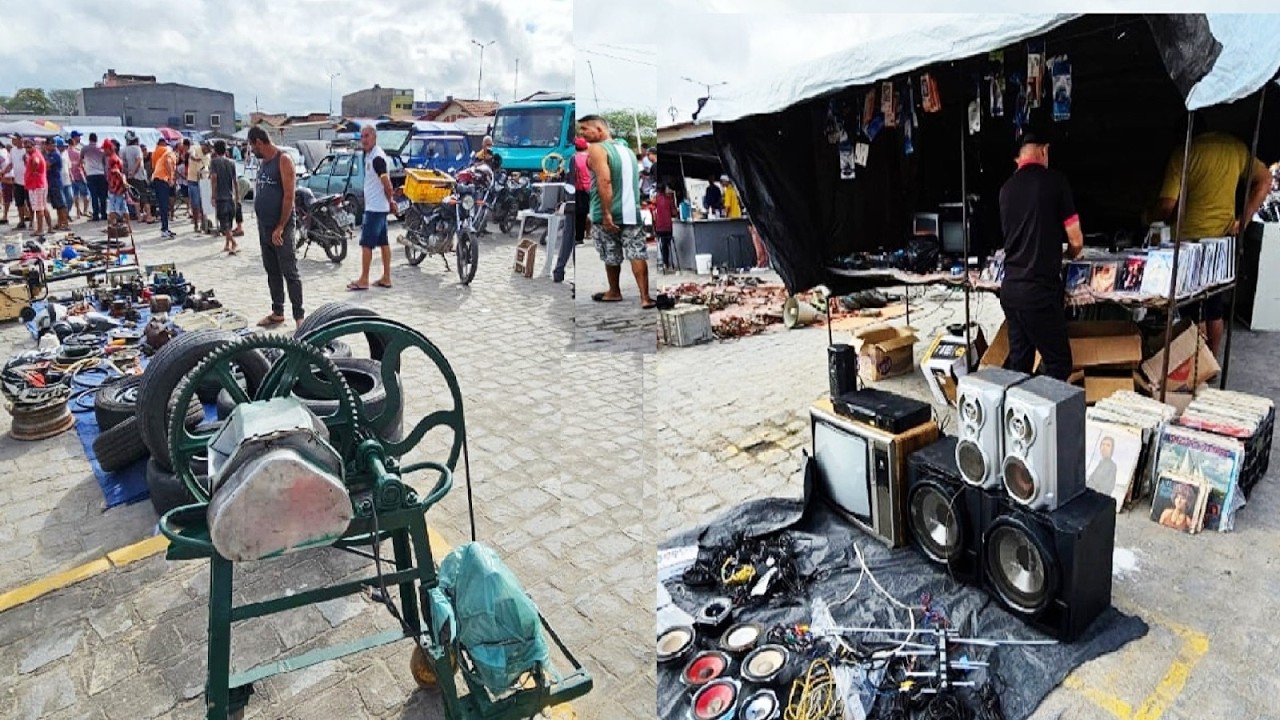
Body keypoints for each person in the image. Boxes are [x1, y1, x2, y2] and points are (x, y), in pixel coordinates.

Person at [1153, 119, 1271, 356]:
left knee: (1188, 306)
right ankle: (1211, 362)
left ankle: (1190, 360)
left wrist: (1148, 215)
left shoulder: (1184, 152)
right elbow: (1265, 180)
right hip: (1221, 240)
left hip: (1186, 242)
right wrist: (1243, 221)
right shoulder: (1235, 148)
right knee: (1213, 307)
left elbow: (1167, 207)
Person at [997, 128, 1083, 381]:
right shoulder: (1056, 182)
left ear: (1018, 159)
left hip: (1011, 291)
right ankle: (1038, 413)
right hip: (1039, 293)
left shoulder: (1005, 190)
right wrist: (1069, 255)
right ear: (1044, 150)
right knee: (1059, 364)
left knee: (1019, 365)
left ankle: (1018, 416)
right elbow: (1076, 239)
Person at [578, 115, 654, 309]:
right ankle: (645, 297)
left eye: (585, 129)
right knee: (637, 252)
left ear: (599, 130)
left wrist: (606, 214)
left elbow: (605, 181)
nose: (582, 133)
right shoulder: (628, 151)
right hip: (631, 211)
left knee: (610, 252)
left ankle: (614, 291)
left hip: (607, 211)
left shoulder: (597, 149)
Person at [248, 126, 303, 328]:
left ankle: (299, 318)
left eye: (252, 146)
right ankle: (277, 312)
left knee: (290, 271)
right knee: (272, 270)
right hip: (265, 226)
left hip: (282, 226)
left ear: (259, 142)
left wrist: (280, 226)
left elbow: (289, 196)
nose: (252, 150)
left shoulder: (283, 160)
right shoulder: (263, 162)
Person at [348, 125, 396, 290]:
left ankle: (364, 279)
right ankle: (386, 277)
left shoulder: (377, 158)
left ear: (374, 137)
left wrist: (391, 201)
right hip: (378, 207)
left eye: (367, 136)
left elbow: (387, 183)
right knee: (383, 242)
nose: (364, 139)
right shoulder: (369, 155)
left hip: (375, 208)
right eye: (362, 136)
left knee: (366, 244)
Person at [209, 141, 239, 255]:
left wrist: (213, 195)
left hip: (221, 197)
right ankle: (227, 244)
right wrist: (238, 196)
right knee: (229, 223)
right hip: (230, 196)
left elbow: (214, 179)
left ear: (215, 150)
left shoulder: (214, 162)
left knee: (224, 225)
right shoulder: (231, 162)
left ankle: (233, 242)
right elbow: (235, 181)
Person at [120, 132, 154, 223]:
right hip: (139, 176)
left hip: (129, 177)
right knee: (144, 196)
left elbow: (123, 164)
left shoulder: (123, 150)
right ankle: (149, 216)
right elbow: (139, 161)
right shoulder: (137, 149)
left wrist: (128, 173)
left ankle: (139, 216)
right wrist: (134, 172)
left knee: (135, 197)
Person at [150, 138, 178, 238]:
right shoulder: (170, 153)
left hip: (157, 179)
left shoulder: (157, 152)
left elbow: (154, 166)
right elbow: (168, 162)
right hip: (162, 180)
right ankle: (164, 229)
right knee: (164, 206)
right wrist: (171, 178)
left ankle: (165, 228)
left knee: (163, 205)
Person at [104, 140, 131, 235]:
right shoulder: (117, 158)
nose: (104, 151)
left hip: (115, 188)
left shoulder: (112, 159)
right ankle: (129, 228)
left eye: (104, 149)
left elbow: (116, 171)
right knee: (124, 208)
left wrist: (123, 182)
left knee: (112, 209)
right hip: (120, 188)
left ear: (108, 149)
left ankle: (112, 229)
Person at [24, 138, 49, 237]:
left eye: (29, 147)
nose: (27, 149)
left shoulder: (35, 155)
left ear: (34, 146)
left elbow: (36, 161)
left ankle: (40, 229)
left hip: (37, 185)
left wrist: (33, 171)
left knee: (39, 209)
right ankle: (47, 227)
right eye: (26, 147)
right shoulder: (36, 153)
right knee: (42, 207)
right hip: (38, 184)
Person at [81, 133, 107, 221]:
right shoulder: (101, 149)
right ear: (96, 139)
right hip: (101, 174)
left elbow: (80, 160)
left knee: (94, 195)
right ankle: (104, 214)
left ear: (89, 139)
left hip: (90, 174)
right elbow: (104, 162)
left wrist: (84, 171)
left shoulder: (85, 148)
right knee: (102, 195)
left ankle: (95, 215)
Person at [571, 137, 591, 246]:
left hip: (579, 189)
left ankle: (579, 238)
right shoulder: (590, 158)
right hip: (591, 188)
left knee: (579, 214)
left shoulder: (574, 159)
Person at [45, 137, 69, 231]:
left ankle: (65, 223)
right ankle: (60, 223)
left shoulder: (55, 155)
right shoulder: (49, 154)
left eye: (53, 145)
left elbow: (46, 166)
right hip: (51, 182)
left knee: (61, 204)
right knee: (57, 205)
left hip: (56, 182)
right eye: (50, 145)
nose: (52, 146)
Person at [652, 183, 675, 271]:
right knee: (666, 243)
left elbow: (653, 213)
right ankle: (667, 262)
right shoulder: (669, 199)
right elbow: (674, 213)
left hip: (659, 228)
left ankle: (665, 262)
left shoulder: (655, 200)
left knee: (663, 243)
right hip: (668, 227)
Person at [8, 134, 29, 229]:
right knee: (19, 203)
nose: (12, 141)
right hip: (17, 181)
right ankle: (22, 221)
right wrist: (4, 172)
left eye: (14, 139)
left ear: (20, 139)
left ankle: (32, 221)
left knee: (30, 203)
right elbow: (11, 164)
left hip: (28, 181)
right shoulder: (12, 150)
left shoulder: (26, 150)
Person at [67, 131, 88, 219]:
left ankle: (78, 212)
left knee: (75, 195)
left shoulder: (66, 152)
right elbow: (82, 164)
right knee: (85, 194)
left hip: (71, 177)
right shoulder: (78, 152)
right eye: (78, 136)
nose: (80, 138)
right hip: (79, 175)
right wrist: (86, 174)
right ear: (75, 138)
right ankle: (85, 211)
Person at [0, 138, 11, 225]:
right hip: (10, 175)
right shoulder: (4, 151)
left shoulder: (1, 153)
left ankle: (5, 216)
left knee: (7, 197)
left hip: (7, 176)